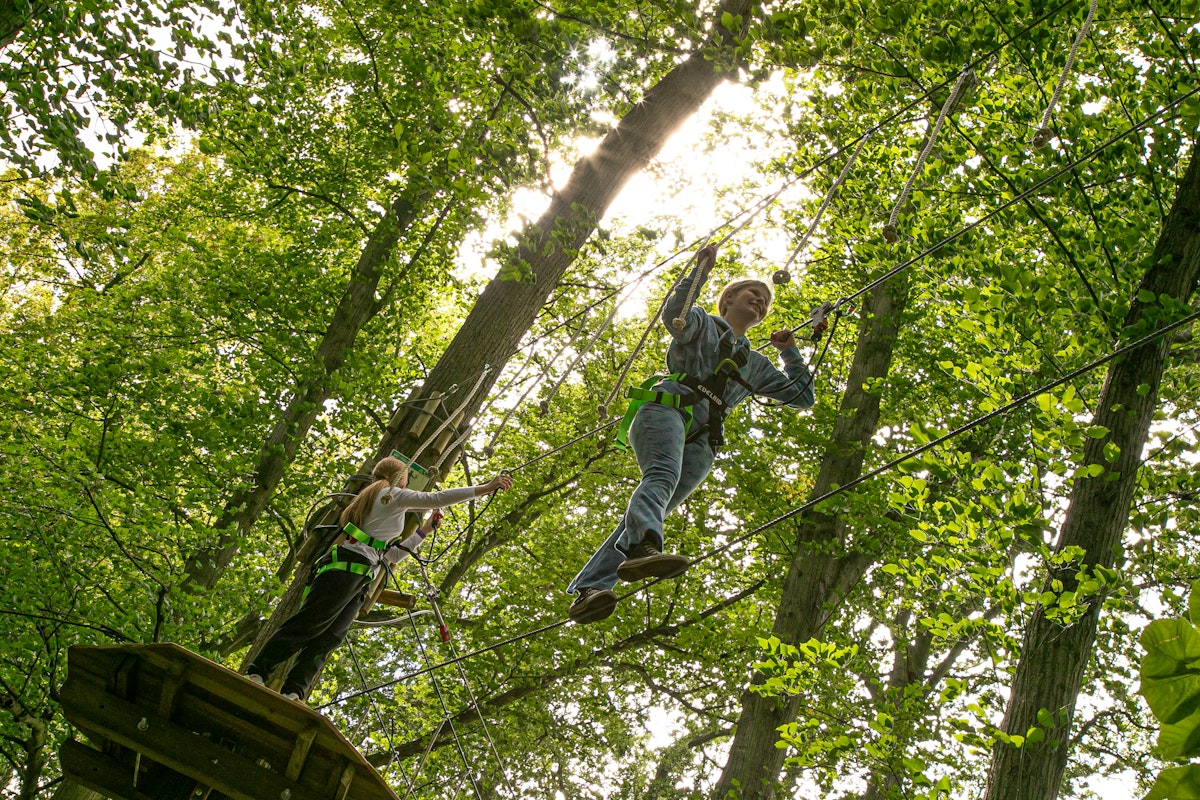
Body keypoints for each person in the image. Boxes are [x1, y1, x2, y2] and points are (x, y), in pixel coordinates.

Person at [567, 246, 817, 624]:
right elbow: (675, 316)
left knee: (654, 508)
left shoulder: (757, 364)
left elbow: (802, 396)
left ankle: (590, 588)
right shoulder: (700, 322)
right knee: (661, 477)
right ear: (729, 298)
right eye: (754, 294)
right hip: (668, 407)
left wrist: (790, 354)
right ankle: (643, 548)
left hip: (705, 437)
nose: (761, 302)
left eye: (765, 303)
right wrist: (698, 273)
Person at [246, 457, 512, 700]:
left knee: (330, 636)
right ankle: (257, 670)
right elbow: (436, 499)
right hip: (346, 569)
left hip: (359, 574)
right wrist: (486, 487)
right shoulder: (389, 495)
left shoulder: (383, 500)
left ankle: (294, 691)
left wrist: (425, 531)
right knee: (311, 623)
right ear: (399, 478)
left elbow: (392, 555)